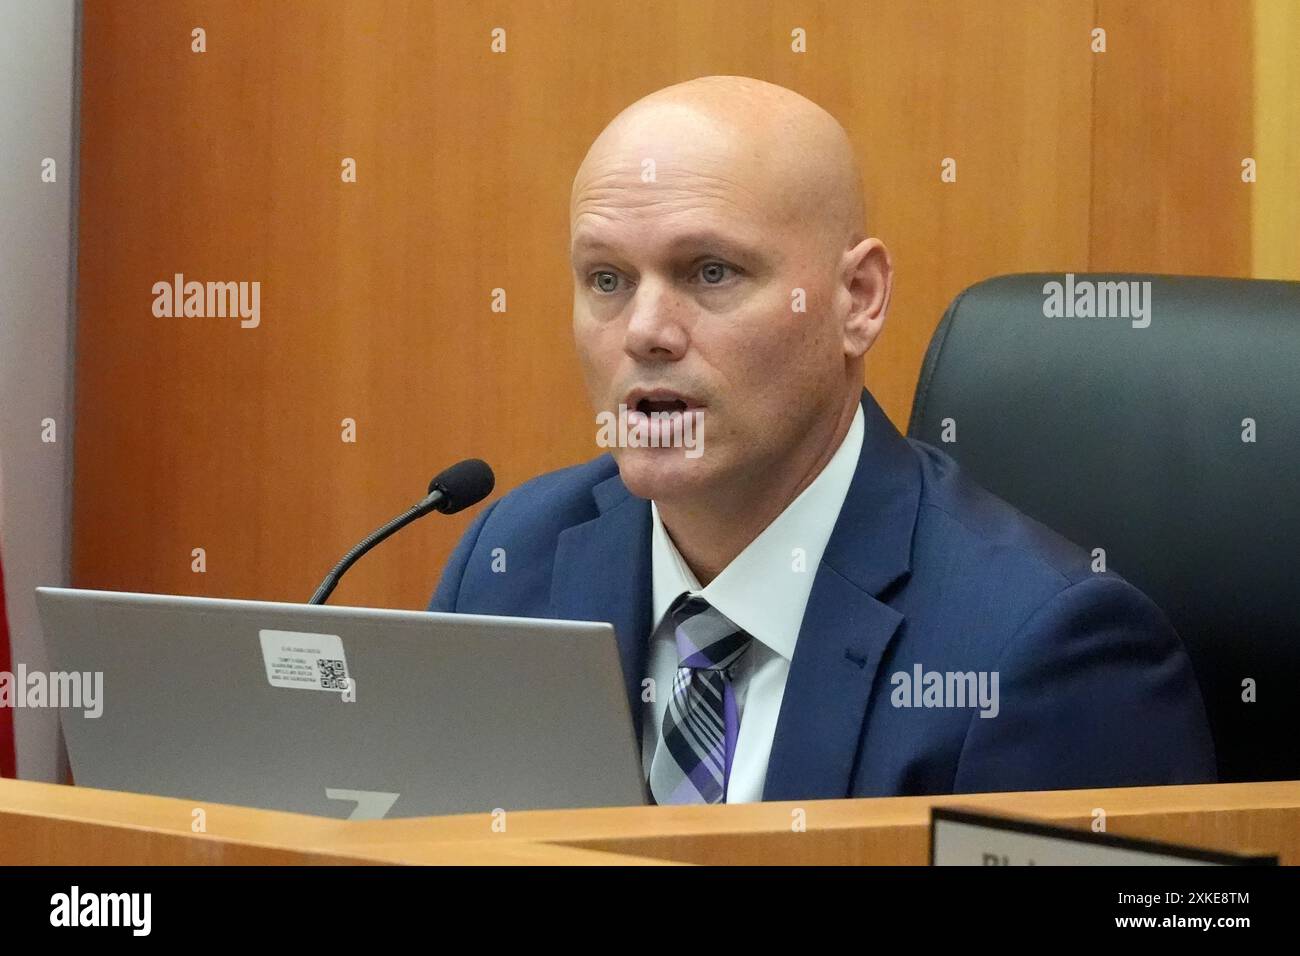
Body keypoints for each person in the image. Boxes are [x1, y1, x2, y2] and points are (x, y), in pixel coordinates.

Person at [430, 75, 1215, 804]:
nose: (645, 332)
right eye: (607, 279)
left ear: (858, 299)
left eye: (710, 273)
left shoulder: (1040, 655)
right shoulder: (512, 566)